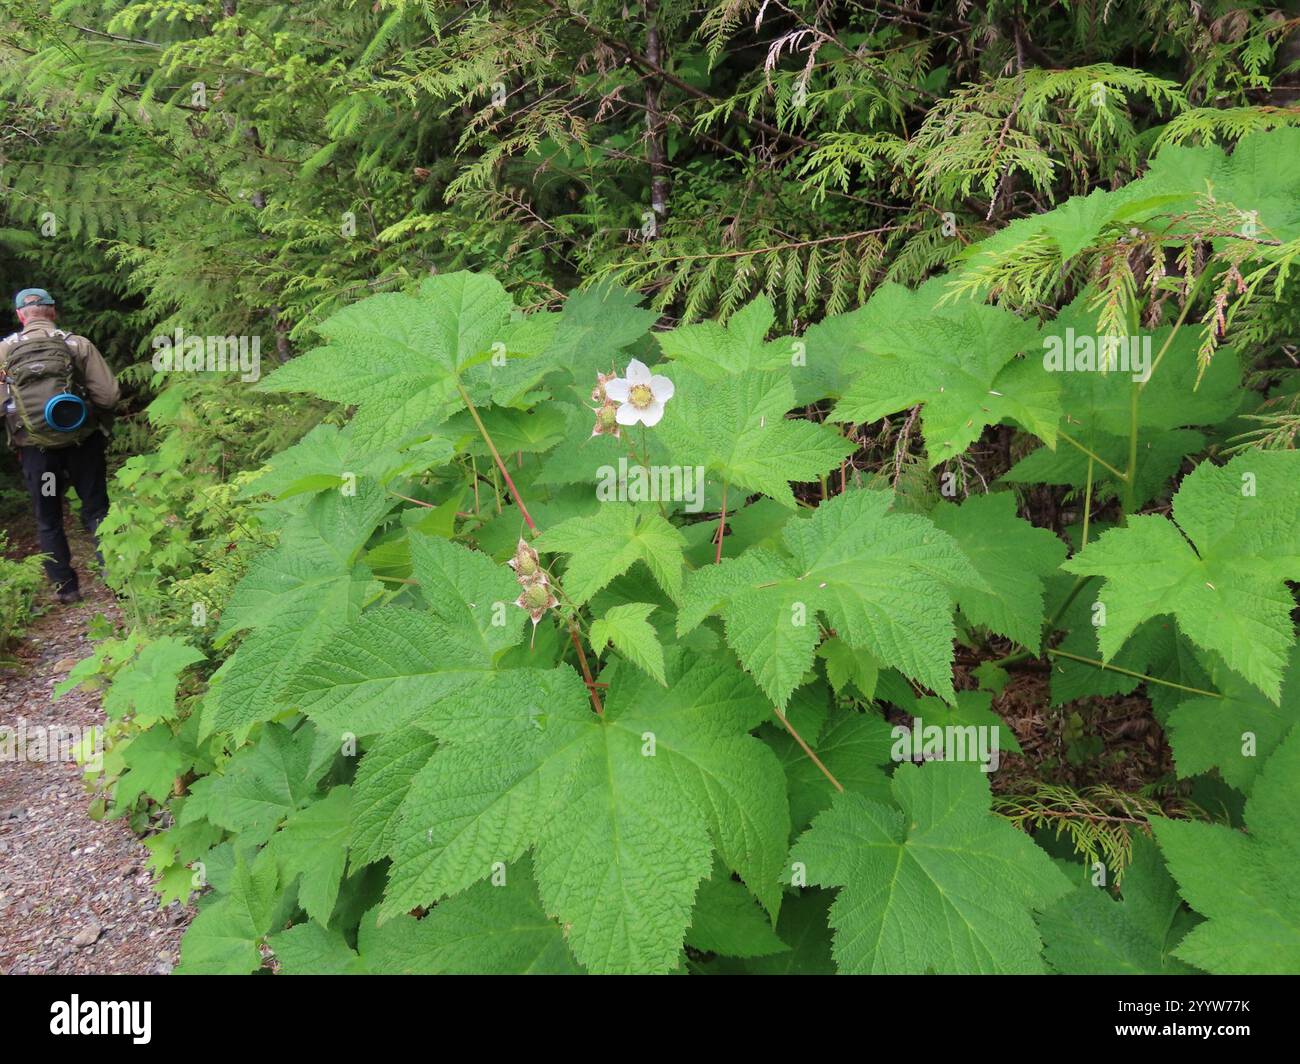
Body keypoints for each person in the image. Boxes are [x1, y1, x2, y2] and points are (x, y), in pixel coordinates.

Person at [0, 288, 120, 604]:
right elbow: (108, 396)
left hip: (38, 454)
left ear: (20, 316)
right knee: (96, 508)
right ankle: (118, 579)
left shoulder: (3, 352)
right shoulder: (76, 345)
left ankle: (65, 589)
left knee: (49, 517)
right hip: (82, 445)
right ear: (52, 311)